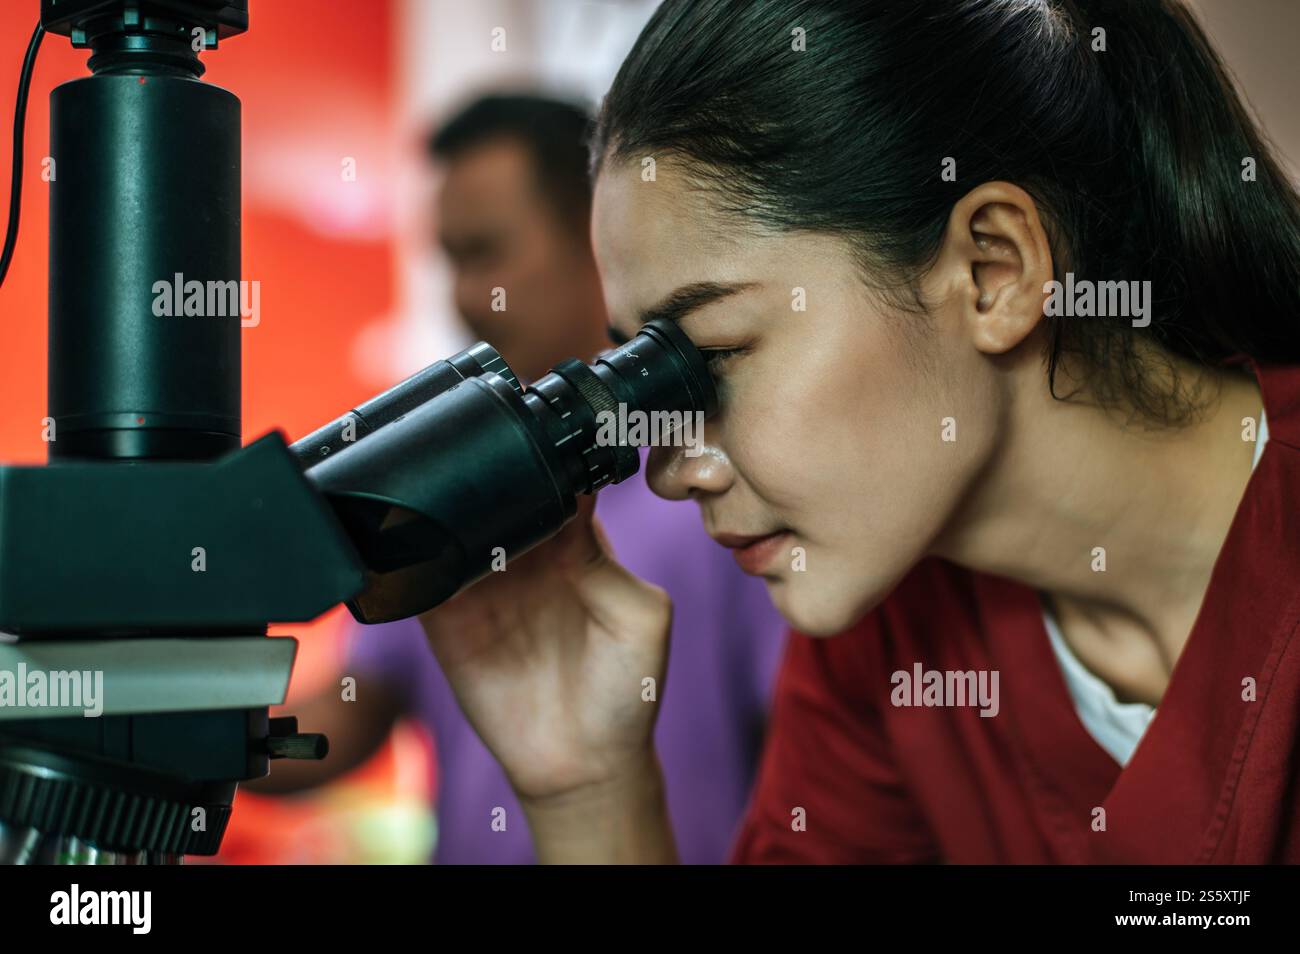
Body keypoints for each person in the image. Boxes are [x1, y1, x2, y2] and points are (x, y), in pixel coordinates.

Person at [416, 0, 1300, 863]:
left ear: (993, 271)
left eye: (714, 354)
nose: (669, 474)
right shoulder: (881, 651)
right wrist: (588, 789)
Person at [259, 94, 788, 865]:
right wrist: (159, 722)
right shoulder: (449, 483)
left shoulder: (718, 484)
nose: (467, 298)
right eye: (449, 259)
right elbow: (344, 721)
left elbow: (809, 756)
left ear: (595, 235)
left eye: (486, 252)